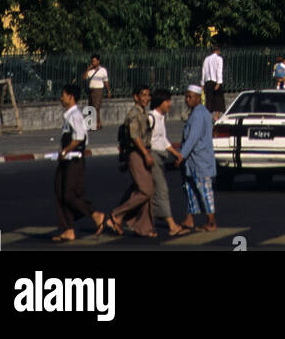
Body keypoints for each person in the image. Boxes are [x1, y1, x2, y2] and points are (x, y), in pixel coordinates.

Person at [52, 83, 105, 243]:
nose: (61, 98)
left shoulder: (75, 115)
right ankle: (68, 229)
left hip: (74, 159)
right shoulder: (70, 115)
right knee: (60, 192)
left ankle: (95, 214)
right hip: (67, 159)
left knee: (69, 194)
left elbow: (80, 138)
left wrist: (65, 151)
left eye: (63, 95)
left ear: (71, 97)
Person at [104, 86, 157, 238]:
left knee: (148, 191)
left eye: (148, 95)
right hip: (137, 153)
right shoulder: (134, 114)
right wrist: (146, 154)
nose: (146, 98)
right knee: (145, 191)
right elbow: (135, 137)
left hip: (144, 152)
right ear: (135, 97)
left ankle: (143, 228)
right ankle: (116, 214)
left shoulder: (143, 113)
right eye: (143, 95)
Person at [149, 89, 189, 237]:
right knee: (162, 190)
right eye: (168, 101)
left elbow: (163, 139)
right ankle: (172, 225)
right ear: (161, 102)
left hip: (160, 156)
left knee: (143, 192)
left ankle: (119, 218)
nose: (170, 104)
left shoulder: (161, 118)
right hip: (152, 157)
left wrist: (175, 153)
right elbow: (147, 140)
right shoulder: (151, 118)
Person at [177, 85, 217, 232]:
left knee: (204, 191)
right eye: (186, 96)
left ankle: (211, 221)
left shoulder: (200, 114)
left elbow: (193, 138)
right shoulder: (195, 113)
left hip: (200, 160)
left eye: (191, 97)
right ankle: (189, 219)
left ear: (198, 98)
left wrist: (181, 155)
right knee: (190, 189)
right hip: (192, 161)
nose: (188, 100)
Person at [83, 55, 110, 131]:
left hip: (98, 90)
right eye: (92, 61)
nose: (93, 63)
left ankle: (94, 124)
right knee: (91, 107)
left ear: (98, 61)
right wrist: (88, 69)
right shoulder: (90, 71)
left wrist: (108, 91)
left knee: (96, 107)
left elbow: (106, 81)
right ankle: (98, 123)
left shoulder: (103, 70)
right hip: (91, 90)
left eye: (94, 61)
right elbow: (84, 78)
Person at [201, 43, 225, 122]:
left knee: (209, 100)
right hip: (215, 81)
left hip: (208, 82)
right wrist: (219, 82)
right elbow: (219, 71)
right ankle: (216, 116)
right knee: (218, 99)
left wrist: (202, 83)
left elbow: (203, 71)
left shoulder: (206, 59)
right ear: (217, 51)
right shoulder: (219, 59)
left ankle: (208, 116)